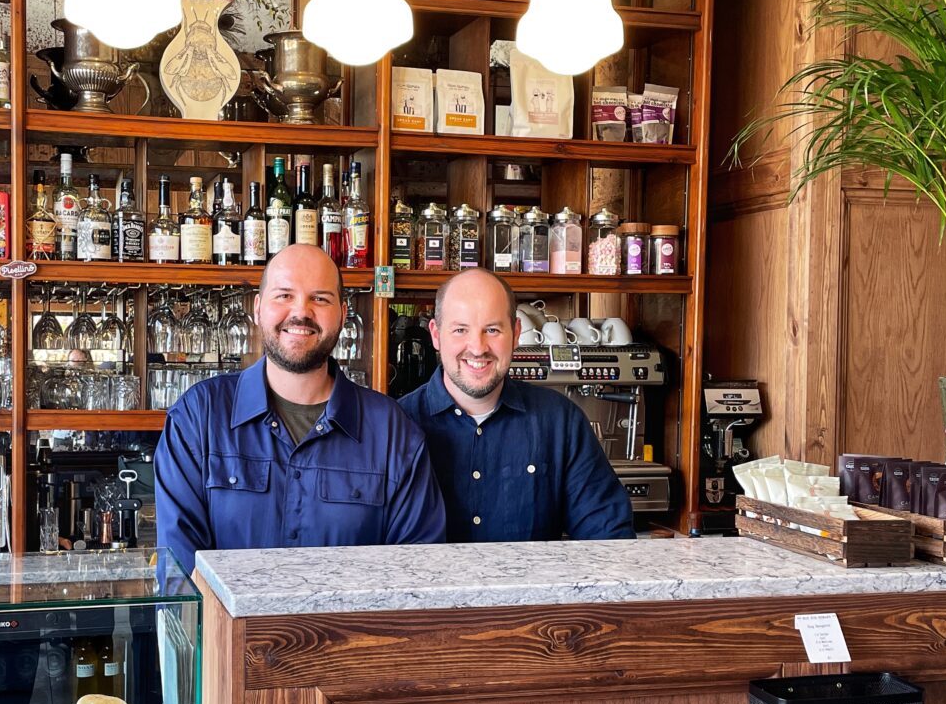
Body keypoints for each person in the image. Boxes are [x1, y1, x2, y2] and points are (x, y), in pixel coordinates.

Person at [155, 243, 446, 575]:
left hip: (351, 629)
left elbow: (416, 575)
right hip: (229, 629)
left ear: (343, 314)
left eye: (320, 298)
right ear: (258, 308)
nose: (301, 312)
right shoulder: (199, 418)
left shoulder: (392, 431)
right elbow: (180, 575)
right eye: (284, 296)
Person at [398, 268, 634, 543]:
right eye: (460, 329)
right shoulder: (398, 426)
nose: (477, 347)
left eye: (492, 329)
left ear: (516, 334)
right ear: (436, 335)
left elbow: (609, 539)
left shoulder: (561, 422)